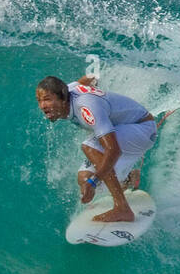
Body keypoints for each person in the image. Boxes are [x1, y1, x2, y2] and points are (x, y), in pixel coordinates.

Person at [36, 74, 157, 223]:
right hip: (124, 131)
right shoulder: (70, 89)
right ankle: (128, 179)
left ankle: (122, 209)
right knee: (84, 178)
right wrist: (96, 77)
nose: (42, 106)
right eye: (39, 101)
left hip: (143, 129)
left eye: (47, 99)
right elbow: (86, 80)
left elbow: (113, 150)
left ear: (62, 97)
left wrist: (94, 181)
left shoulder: (86, 108)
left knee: (89, 148)